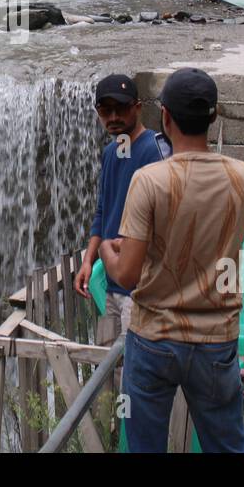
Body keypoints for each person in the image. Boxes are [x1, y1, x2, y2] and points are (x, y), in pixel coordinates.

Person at [99, 68, 244, 453]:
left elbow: (128, 273)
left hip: (155, 337)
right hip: (216, 339)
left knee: (145, 446)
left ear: (164, 118)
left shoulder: (150, 181)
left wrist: (107, 248)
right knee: (228, 445)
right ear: (213, 117)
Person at [72, 75, 171, 342]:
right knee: (109, 368)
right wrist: (88, 262)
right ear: (98, 113)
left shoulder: (155, 150)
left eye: (122, 109)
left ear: (138, 108)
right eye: (106, 111)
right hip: (111, 284)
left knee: (137, 367)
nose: (113, 117)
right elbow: (103, 211)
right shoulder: (110, 153)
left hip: (142, 290)